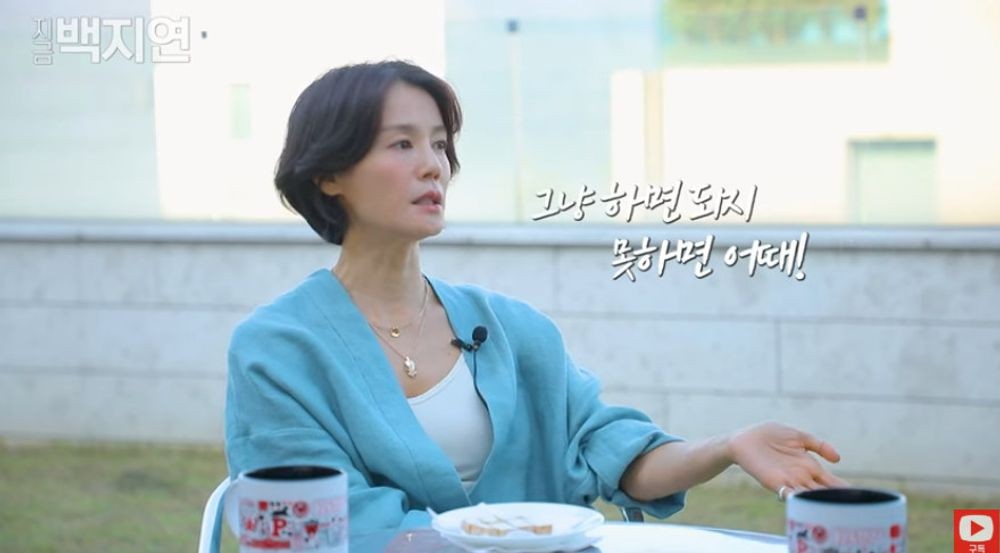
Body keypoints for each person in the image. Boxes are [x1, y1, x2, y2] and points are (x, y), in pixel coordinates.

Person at [224, 60, 847, 537]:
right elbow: (325, 521)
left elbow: (607, 450)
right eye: (402, 144)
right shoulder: (277, 350)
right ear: (328, 174)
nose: (434, 166)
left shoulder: (513, 330)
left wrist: (728, 446)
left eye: (439, 144)